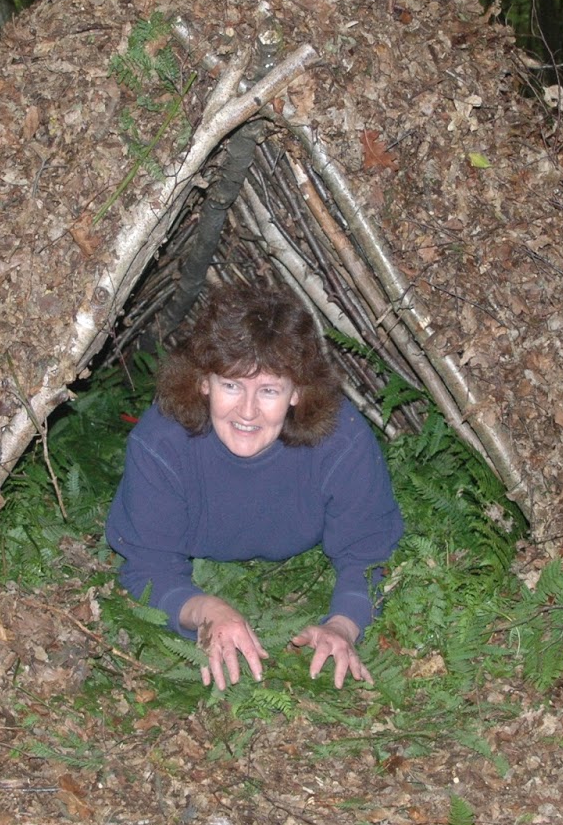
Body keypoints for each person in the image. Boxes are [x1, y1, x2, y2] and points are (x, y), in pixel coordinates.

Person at [104, 281, 404, 690]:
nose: (247, 411)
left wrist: (342, 626)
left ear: (297, 392)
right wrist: (206, 610)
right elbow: (148, 567)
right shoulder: (162, 444)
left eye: (268, 390)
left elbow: (368, 551)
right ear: (203, 382)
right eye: (231, 385)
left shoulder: (340, 440)